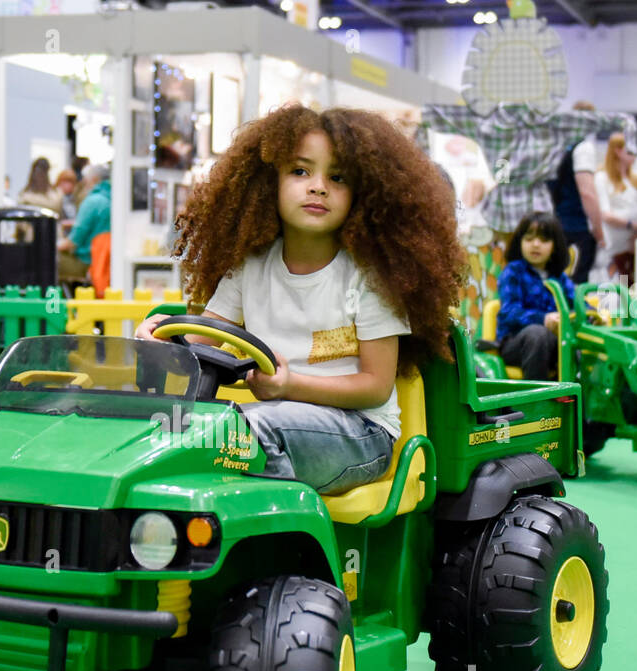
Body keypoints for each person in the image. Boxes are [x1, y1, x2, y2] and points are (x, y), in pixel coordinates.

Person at [134, 104, 465, 496]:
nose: (318, 186)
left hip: (362, 432)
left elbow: (376, 387)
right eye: (300, 171)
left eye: (337, 176)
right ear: (265, 184)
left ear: (363, 194)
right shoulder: (249, 268)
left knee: (235, 437)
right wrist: (158, 341)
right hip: (271, 419)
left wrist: (290, 385)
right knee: (175, 427)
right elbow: (198, 343)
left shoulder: (370, 277)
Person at [495, 211, 576, 382]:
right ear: (520, 242)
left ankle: (578, 400)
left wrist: (591, 317)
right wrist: (543, 319)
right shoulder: (513, 272)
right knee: (537, 334)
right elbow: (509, 312)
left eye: (544, 240)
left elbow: (578, 304)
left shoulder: (559, 278)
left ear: (555, 246)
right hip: (516, 343)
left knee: (577, 341)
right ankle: (534, 404)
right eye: (529, 239)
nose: (536, 245)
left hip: (553, 344)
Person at [549, 101, 607, 283]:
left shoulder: (558, 147)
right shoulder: (583, 148)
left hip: (556, 223)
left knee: (556, 283)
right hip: (578, 228)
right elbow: (587, 192)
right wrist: (598, 230)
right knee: (578, 287)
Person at [595, 132, 637, 279]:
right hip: (617, 246)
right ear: (618, 151)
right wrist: (635, 227)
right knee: (622, 289)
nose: (635, 154)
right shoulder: (602, 178)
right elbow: (606, 215)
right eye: (631, 150)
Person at [58, 164, 111, 285]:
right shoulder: (111, 199)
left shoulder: (92, 202)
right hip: (104, 262)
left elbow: (73, 242)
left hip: (87, 261)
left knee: (48, 259)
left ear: (94, 179)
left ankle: (53, 302)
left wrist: (54, 245)